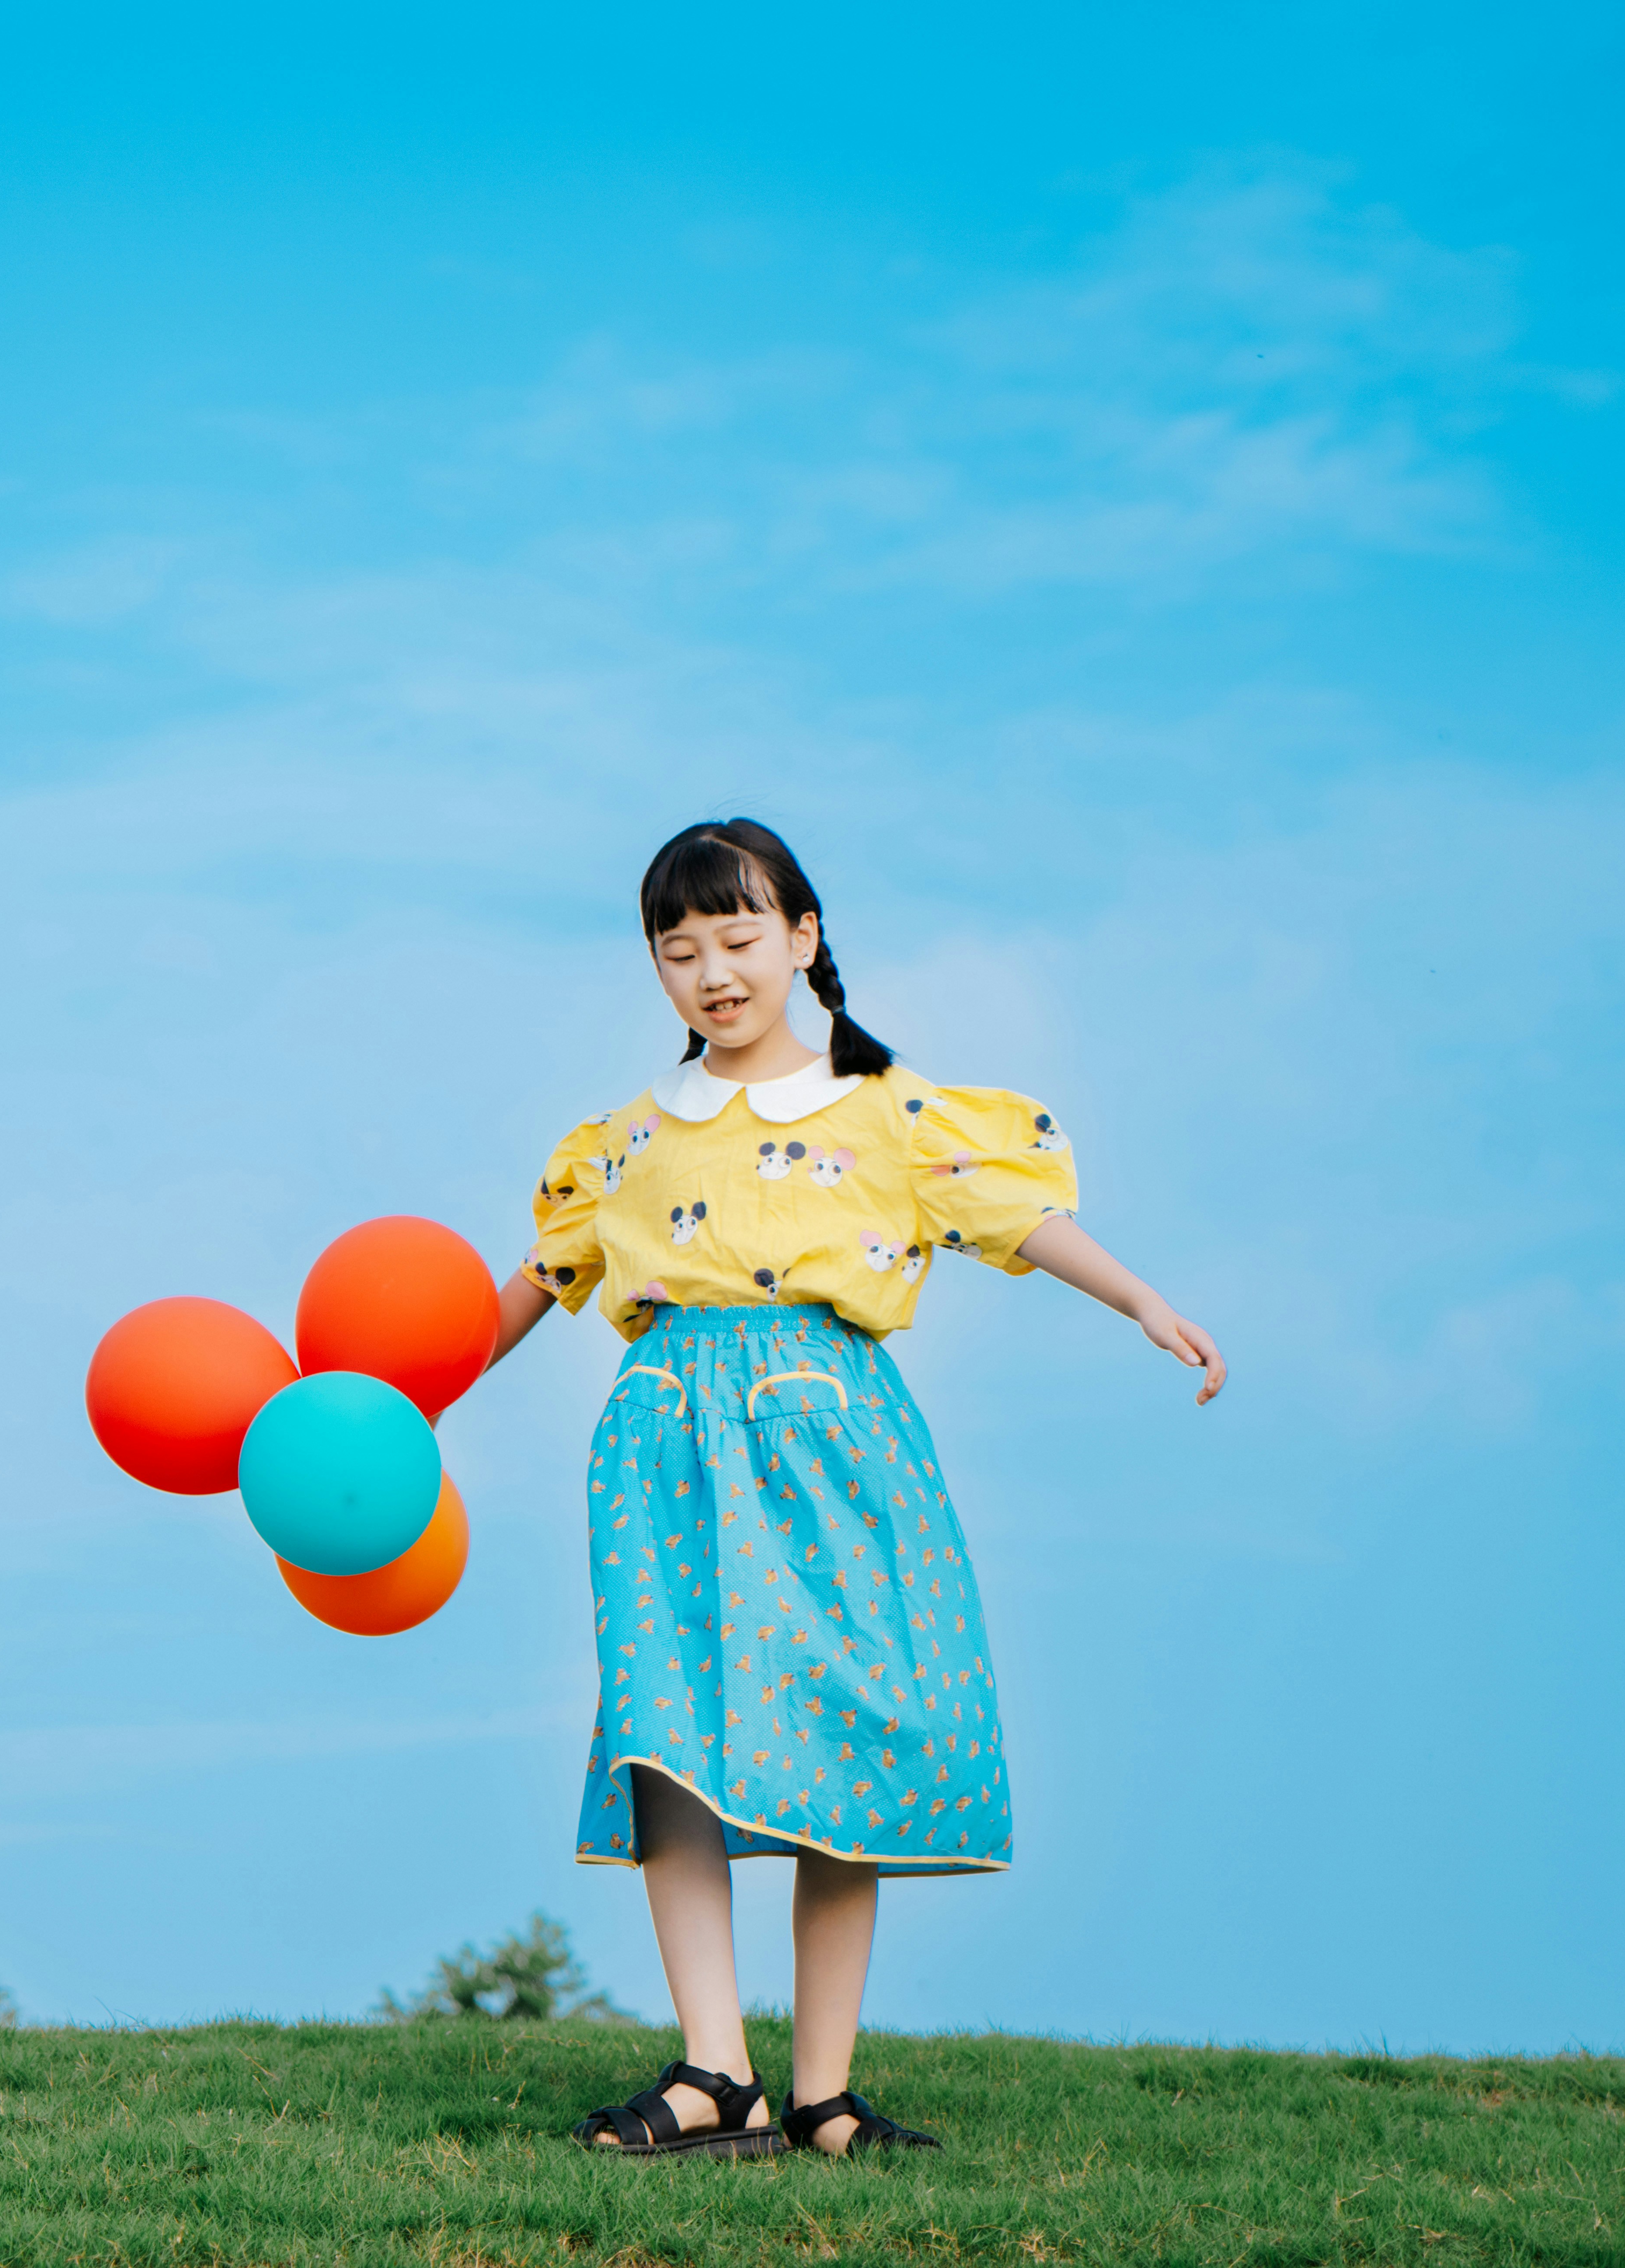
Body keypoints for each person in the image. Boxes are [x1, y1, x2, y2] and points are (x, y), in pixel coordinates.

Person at [485, 818, 1224, 2160]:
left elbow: (1013, 1217)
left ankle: (822, 2093)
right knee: (671, 1732)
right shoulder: (628, 1139)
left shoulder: (886, 1107)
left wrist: (1140, 1300)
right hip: (663, 1446)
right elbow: (537, 1284)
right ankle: (718, 2073)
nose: (713, 969)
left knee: (845, 1728)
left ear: (804, 939)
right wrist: (393, 1400)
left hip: (832, 1445)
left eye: (740, 936)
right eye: (680, 947)